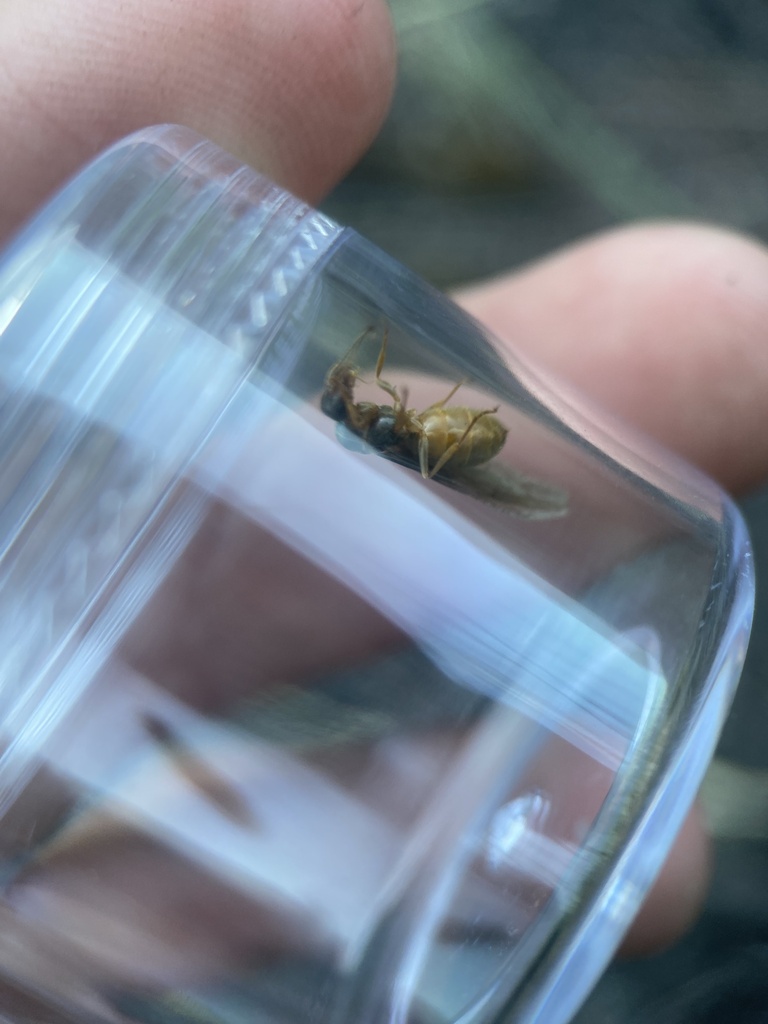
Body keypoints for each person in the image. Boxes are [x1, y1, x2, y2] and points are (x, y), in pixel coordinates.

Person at [5, 0, 768, 958]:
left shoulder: (376, 408)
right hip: (443, 451)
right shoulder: (372, 409)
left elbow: (386, 406)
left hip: (457, 453)